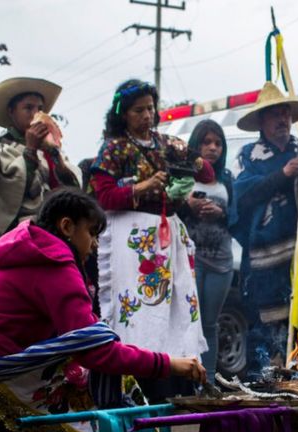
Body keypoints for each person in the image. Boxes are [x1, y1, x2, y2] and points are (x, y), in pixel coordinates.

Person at [0, 188, 206, 432]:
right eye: (92, 233)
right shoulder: (56, 264)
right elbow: (96, 351)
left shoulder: (19, 246)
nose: (95, 244)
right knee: (103, 384)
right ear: (67, 226)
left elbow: (83, 334)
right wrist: (170, 364)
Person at [90, 79, 213, 403]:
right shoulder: (113, 149)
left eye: (150, 108)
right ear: (122, 114)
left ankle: (177, 383)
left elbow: (208, 174)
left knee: (176, 308)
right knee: (140, 310)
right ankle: (138, 382)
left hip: (167, 237)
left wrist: (193, 161)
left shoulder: (166, 143)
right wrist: (144, 186)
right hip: (134, 241)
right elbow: (104, 196)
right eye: (138, 110)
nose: (147, 115)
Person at [231, 82, 298, 371]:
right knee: (269, 338)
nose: (282, 119)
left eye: (285, 113)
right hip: (267, 262)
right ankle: (268, 384)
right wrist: (284, 174)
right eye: (274, 114)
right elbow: (242, 197)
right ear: (261, 122)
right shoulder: (248, 156)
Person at [0, 77, 81, 245]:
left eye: (40, 109)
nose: (35, 114)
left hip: (51, 234)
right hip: (15, 239)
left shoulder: (50, 149)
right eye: (28, 108)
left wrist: (54, 153)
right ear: (11, 112)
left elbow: (71, 189)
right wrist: (30, 149)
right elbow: (6, 194)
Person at [178, 119, 234, 383]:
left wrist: (221, 212)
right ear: (195, 146)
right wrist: (187, 206)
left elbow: (239, 217)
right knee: (190, 322)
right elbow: (169, 214)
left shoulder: (227, 179)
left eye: (218, 143)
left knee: (210, 323)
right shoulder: (183, 178)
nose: (213, 148)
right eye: (207, 142)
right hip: (191, 261)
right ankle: (187, 381)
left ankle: (208, 382)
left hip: (222, 262)